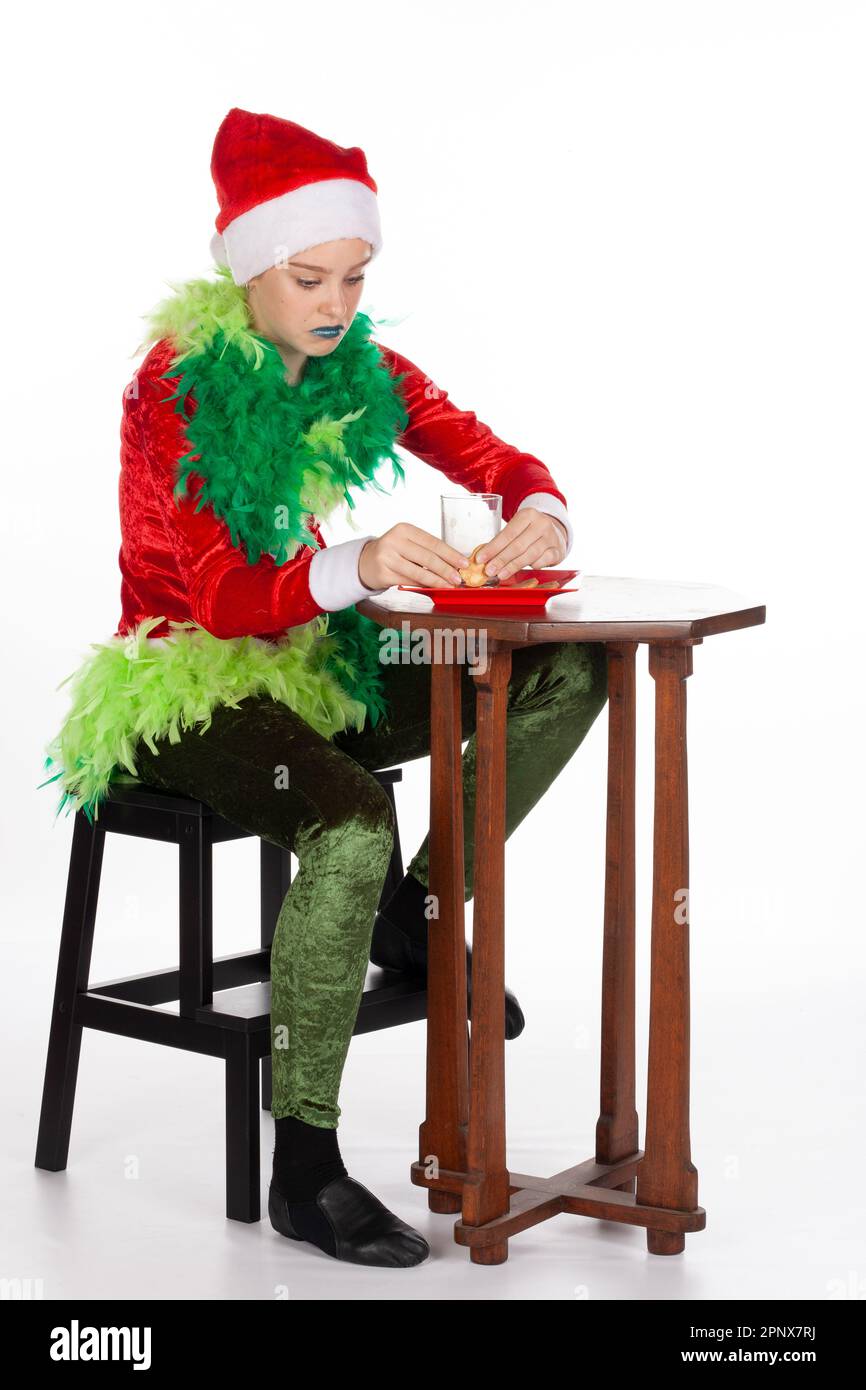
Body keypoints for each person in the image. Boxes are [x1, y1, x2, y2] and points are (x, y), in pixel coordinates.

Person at [40, 108, 609, 1268]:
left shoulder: (352, 363)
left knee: (558, 660)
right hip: (182, 687)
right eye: (309, 277)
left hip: (310, 661)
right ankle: (306, 1162)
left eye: (354, 275)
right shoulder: (176, 386)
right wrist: (355, 563)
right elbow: (216, 596)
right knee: (346, 819)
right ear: (251, 265)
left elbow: (485, 449)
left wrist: (536, 509)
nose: (337, 303)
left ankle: (417, 914)